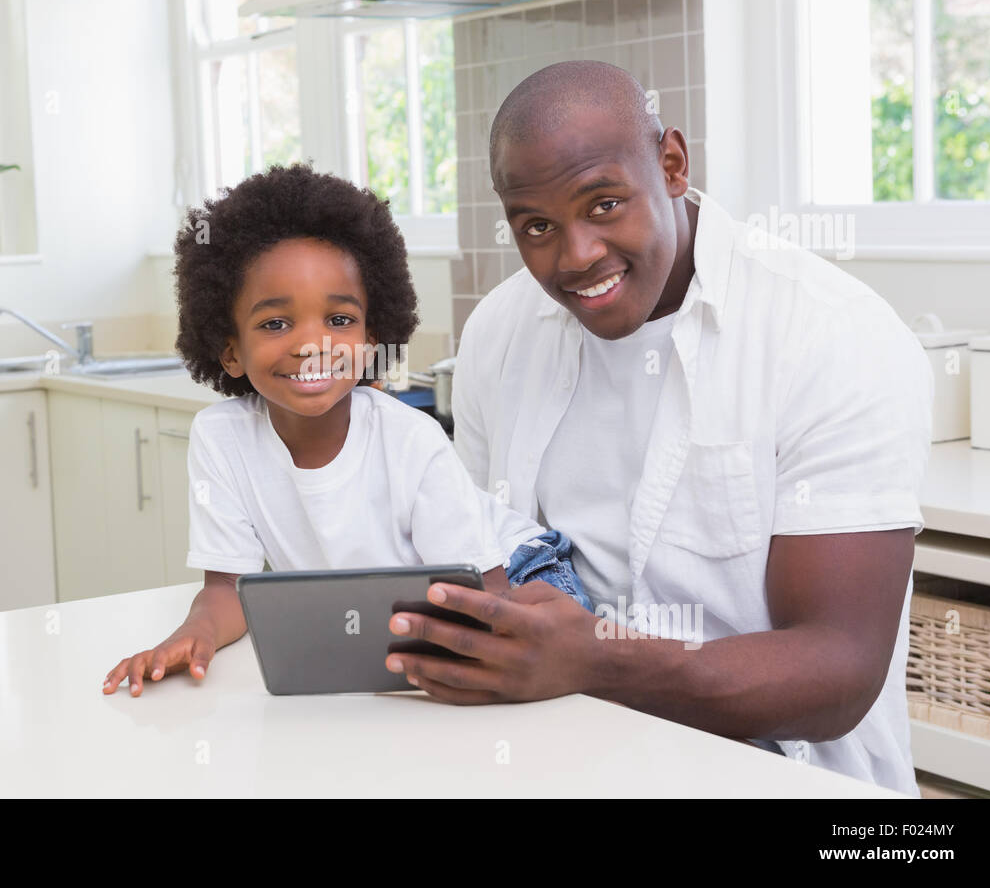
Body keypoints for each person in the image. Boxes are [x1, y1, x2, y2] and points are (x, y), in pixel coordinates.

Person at [382, 61, 933, 796]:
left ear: (671, 164)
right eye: (537, 225)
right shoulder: (500, 334)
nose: (576, 256)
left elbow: (838, 674)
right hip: (565, 760)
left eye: (605, 204)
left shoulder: (832, 336)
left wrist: (597, 658)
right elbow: (489, 560)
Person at [102, 163, 590, 698]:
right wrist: (192, 636)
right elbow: (228, 592)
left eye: (339, 320)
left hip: (517, 579)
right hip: (415, 613)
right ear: (230, 350)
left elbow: (484, 595)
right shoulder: (220, 439)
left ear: (372, 336)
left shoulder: (409, 438)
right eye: (275, 323)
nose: (312, 345)